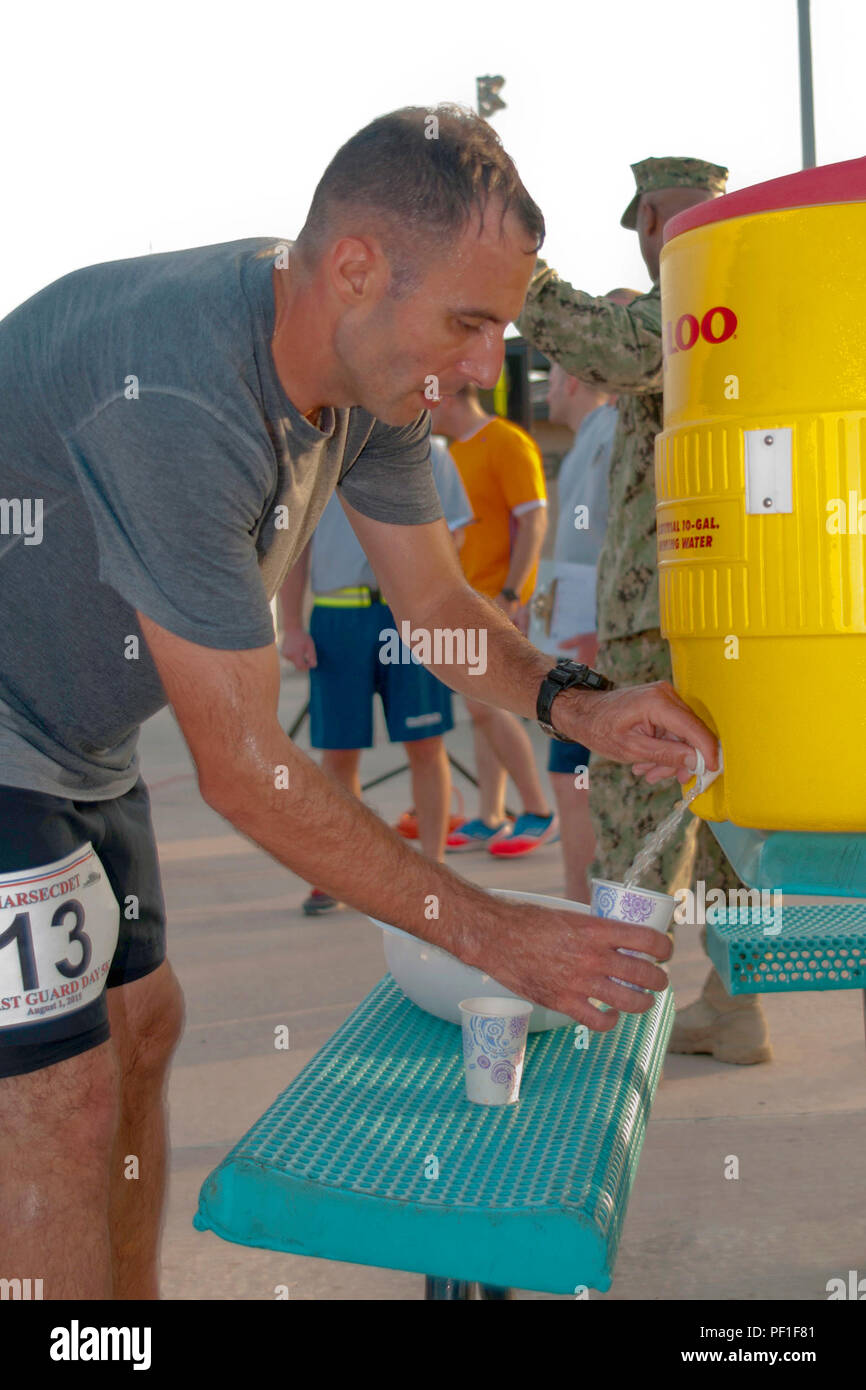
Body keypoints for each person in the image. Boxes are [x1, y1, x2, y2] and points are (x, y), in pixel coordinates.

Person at [0, 108, 718, 1299]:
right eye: (471, 322)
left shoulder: (373, 382)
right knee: (56, 1104)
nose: (494, 363)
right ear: (354, 268)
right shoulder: (180, 391)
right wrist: (493, 933)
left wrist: (577, 703)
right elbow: (240, 766)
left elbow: (433, 602)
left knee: (141, 1036)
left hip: (79, 741)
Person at [518, 156, 772, 1066]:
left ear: (659, 219)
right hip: (721, 621)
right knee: (721, 835)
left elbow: (612, 343)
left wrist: (517, 271)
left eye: (643, 225)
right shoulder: (752, 300)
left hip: (660, 626)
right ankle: (735, 1005)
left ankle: (609, 1022)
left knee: (632, 829)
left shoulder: (693, 298)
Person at [280, 440, 472, 913]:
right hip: (338, 618)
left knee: (426, 744)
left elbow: (456, 533)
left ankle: (435, 869)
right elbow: (295, 547)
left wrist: (418, 578)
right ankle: (345, 873)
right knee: (339, 751)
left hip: (409, 615)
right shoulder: (319, 449)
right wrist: (291, 626)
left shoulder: (429, 449)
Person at [429, 386, 558, 857]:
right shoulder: (454, 453)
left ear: (447, 396)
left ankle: (539, 810)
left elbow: (535, 521)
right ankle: (490, 815)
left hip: (496, 600)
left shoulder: (506, 441)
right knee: (480, 709)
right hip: (463, 600)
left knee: (488, 707)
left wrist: (512, 594)